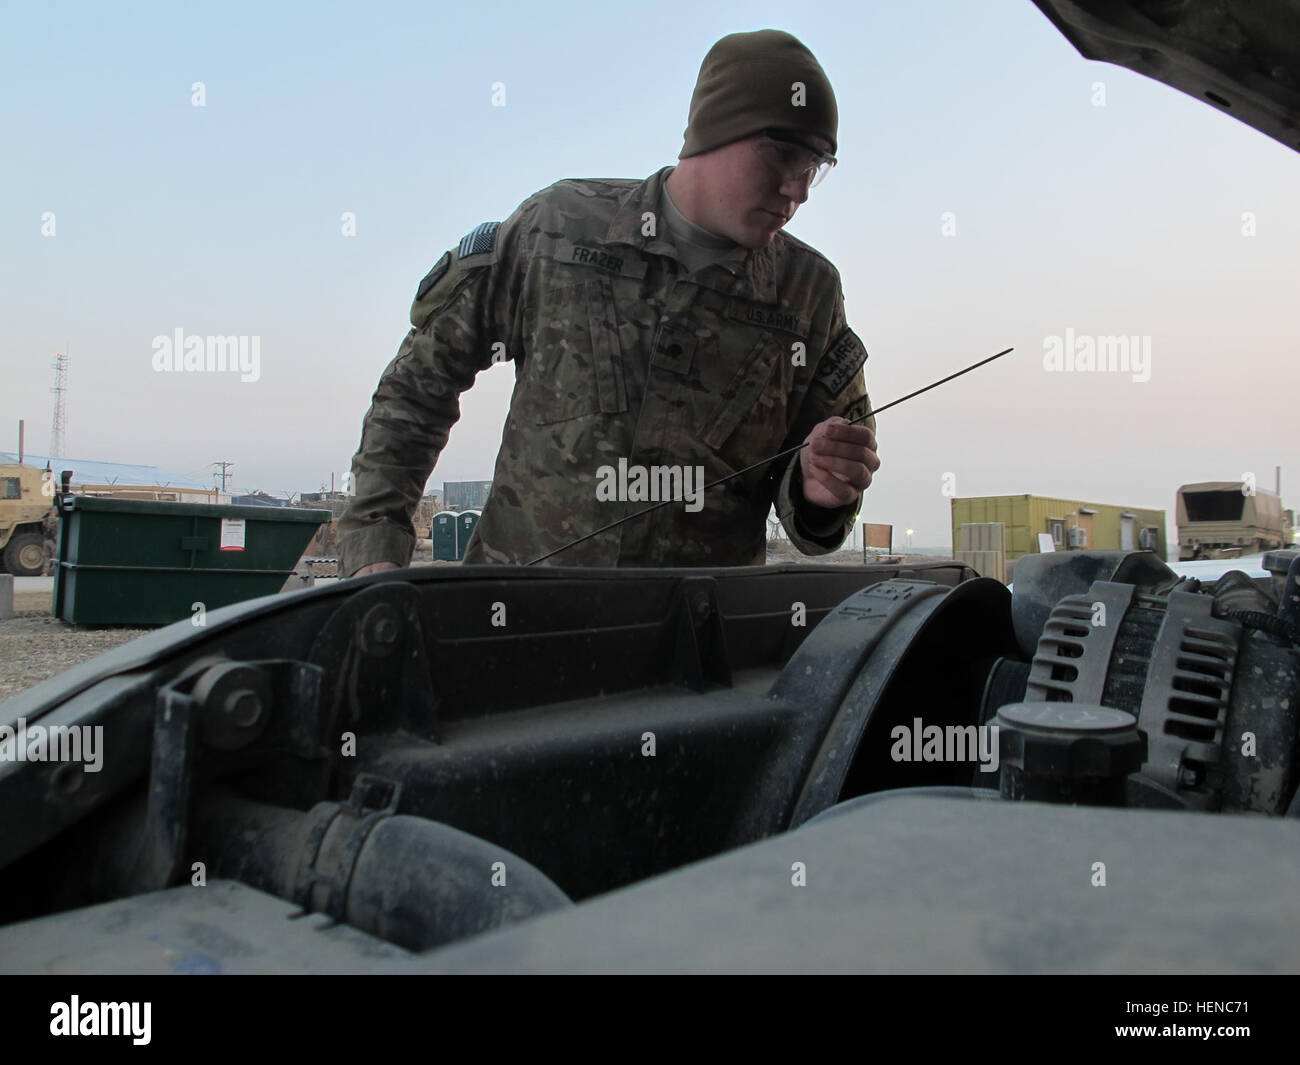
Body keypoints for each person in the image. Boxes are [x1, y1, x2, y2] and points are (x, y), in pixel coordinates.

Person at [339, 28, 880, 577]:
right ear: (717, 129)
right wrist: (374, 552)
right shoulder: (557, 231)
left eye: (814, 167)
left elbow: (815, 481)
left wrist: (820, 488)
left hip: (699, 641)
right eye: (784, 155)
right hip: (521, 623)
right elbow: (415, 390)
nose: (798, 189)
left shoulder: (808, 294)